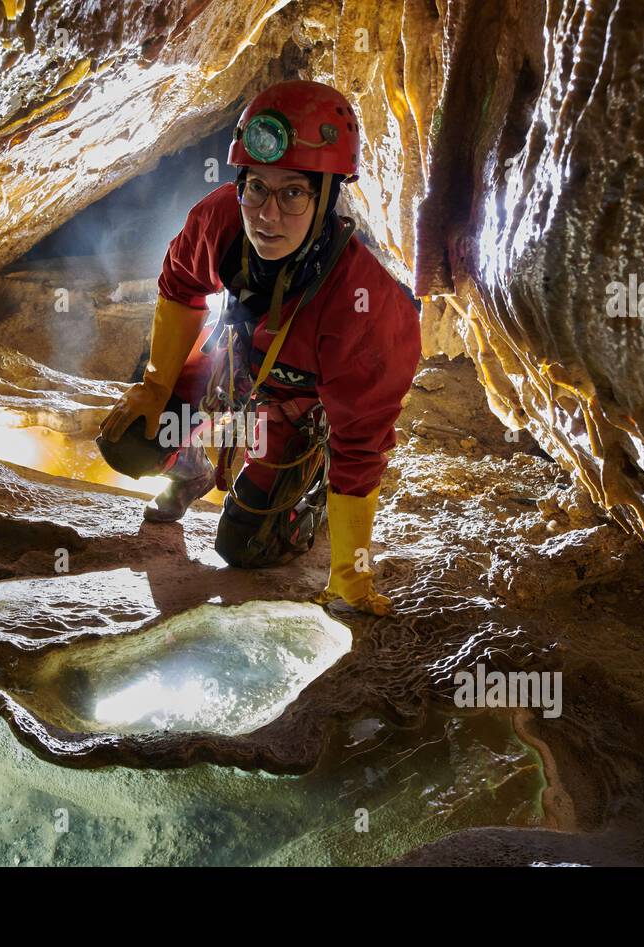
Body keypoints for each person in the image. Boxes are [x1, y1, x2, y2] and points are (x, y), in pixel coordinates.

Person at [96, 79, 420, 616]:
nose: (267, 214)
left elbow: (360, 447)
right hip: (230, 367)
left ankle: (303, 483)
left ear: (326, 196)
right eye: (257, 188)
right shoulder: (222, 219)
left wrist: (351, 577)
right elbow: (180, 286)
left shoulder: (366, 305)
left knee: (244, 548)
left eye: (293, 192)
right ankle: (189, 465)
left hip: (295, 405)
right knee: (131, 440)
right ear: (241, 182)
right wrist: (156, 388)